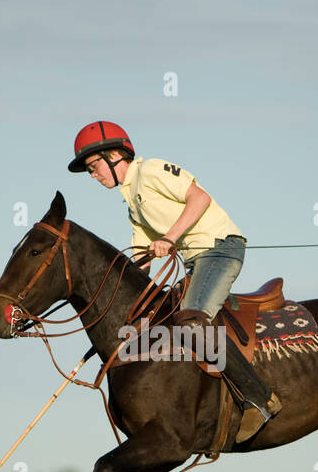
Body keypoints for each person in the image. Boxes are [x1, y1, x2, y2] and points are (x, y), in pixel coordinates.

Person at [68, 120, 281, 440]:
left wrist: (169, 238)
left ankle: (259, 400)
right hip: (196, 261)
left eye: (94, 165)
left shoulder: (151, 171)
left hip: (220, 249)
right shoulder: (133, 205)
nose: (93, 174)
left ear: (115, 155)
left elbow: (200, 198)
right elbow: (140, 261)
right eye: (89, 170)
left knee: (192, 322)